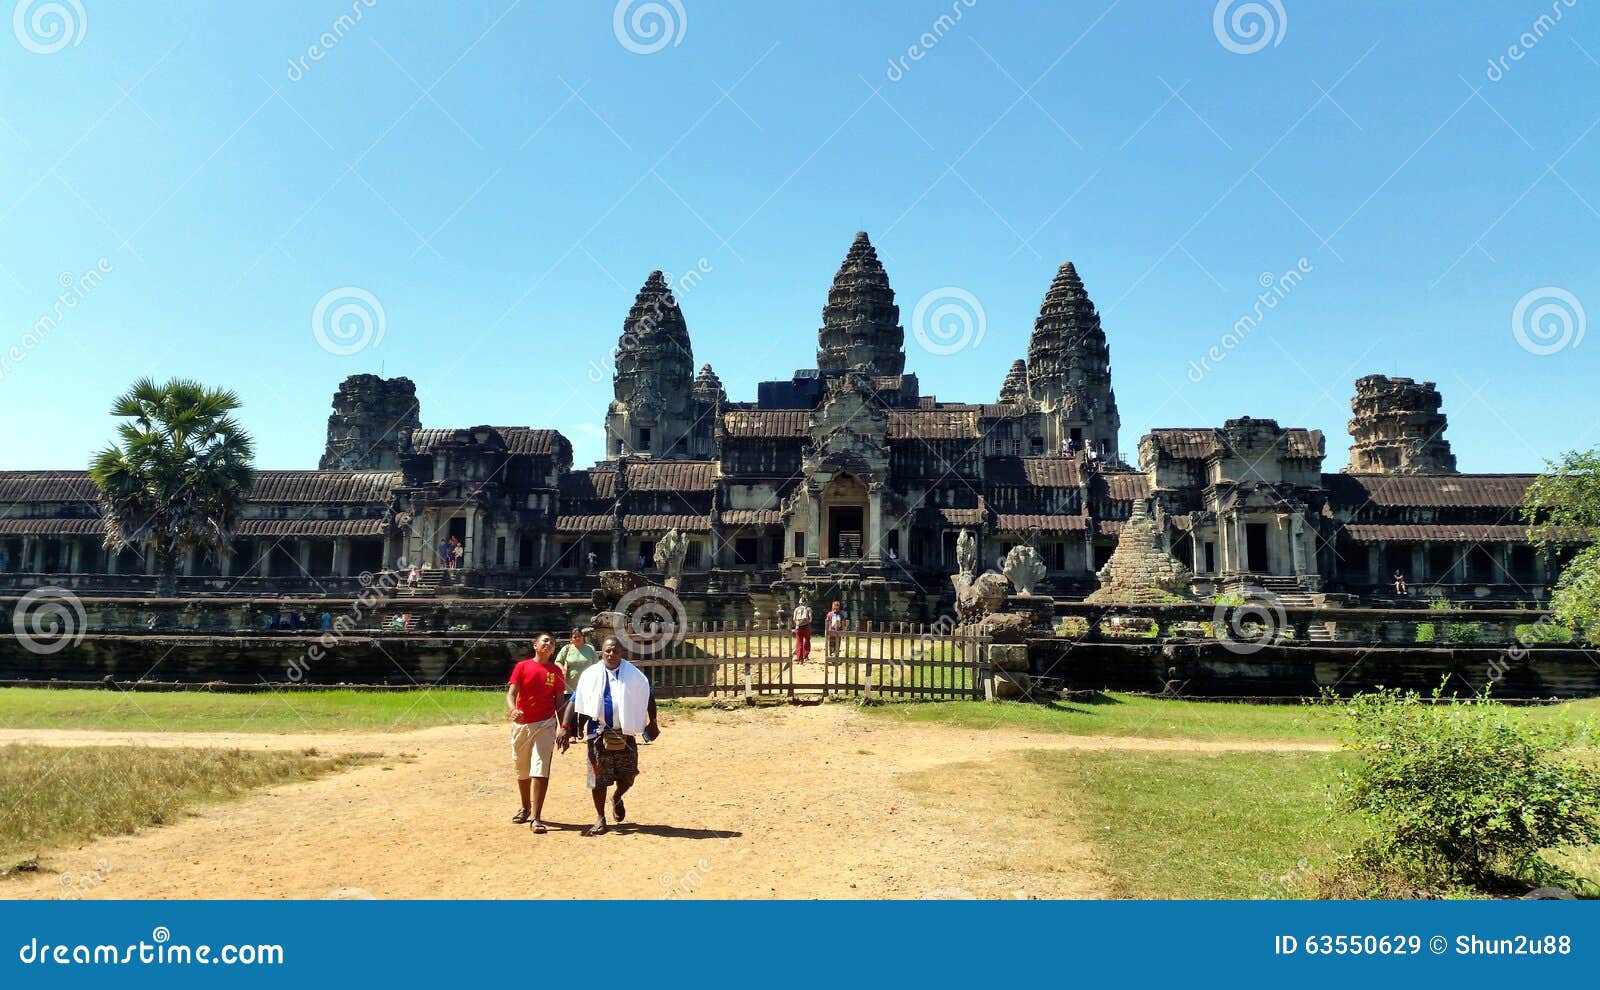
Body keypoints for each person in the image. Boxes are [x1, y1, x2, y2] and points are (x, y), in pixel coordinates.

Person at [557, 637, 659, 837]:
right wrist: (565, 727)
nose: (611, 655)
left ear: (622, 653)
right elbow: (573, 701)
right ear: (601, 653)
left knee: (628, 776)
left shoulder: (634, 675)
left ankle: (618, 796)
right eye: (607, 651)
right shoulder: (591, 675)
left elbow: (648, 694)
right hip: (598, 733)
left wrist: (653, 721)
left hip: (625, 732)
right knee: (598, 777)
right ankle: (600, 818)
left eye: (615, 651)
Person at [506, 633, 567, 833]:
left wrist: (563, 727)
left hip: (545, 724)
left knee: (540, 768)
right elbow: (512, 694)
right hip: (522, 724)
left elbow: (559, 702)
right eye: (545, 641)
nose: (549, 644)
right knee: (522, 769)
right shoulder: (522, 667)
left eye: (553, 643)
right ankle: (525, 807)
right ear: (535, 645)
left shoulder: (555, 671)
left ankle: (536, 817)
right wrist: (512, 709)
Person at [792, 598, 813, 662]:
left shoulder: (796, 609)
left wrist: (797, 624)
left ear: (799, 602)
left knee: (799, 642)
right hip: (806, 627)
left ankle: (800, 658)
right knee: (807, 641)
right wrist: (807, 623)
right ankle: (805, 656)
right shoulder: (808, 609)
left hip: (798, 628)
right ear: (806, 602)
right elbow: (810, 618)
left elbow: (794, 619)